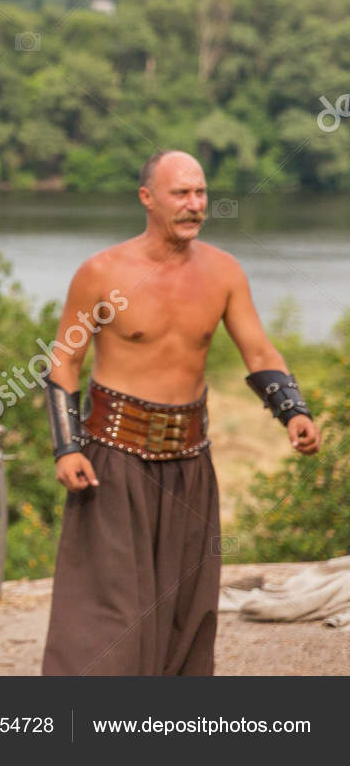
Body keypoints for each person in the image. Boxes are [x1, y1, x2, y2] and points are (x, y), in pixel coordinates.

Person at [40, 149, 322, 675]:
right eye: (181, 194)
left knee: (186, 612)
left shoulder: (223, 272)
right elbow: (65, 361)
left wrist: (294, 412)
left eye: (200, 193)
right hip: (113, 462)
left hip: (191, 462)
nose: (195, 205)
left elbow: (258, 352)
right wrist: (66, 447)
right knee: (108, 615)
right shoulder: (101, 272)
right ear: (147, 198)